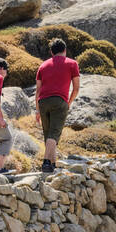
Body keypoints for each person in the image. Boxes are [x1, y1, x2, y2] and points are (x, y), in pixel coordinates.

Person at [35, 38, 81, 173]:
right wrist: (68, 103)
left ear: (51, 52)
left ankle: (53, 165)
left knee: (48, 135)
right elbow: (76, 88)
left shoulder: (42, 66)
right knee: (54, 135)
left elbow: (38, 91)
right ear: (65, 50)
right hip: (59, 101)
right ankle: (46, 162)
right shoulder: (72, 64)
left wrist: (37, 110)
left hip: (43, 102)